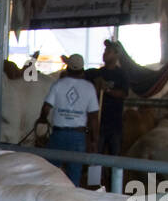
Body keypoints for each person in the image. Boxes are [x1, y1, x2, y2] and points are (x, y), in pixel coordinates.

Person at [36, 53, 100, 187]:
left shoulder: (58, 85)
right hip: (78, 137)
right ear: (83, 71)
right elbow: (94, 117)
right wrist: (94, 140)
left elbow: (46, 108)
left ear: (67, 69)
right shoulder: (89, 88)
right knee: (74, 176)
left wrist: (42, 119)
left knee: (49, 173)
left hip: (58, 135)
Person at [91, 39, 129, 167]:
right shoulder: (98, 73)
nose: (105, 53)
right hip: (98, 123)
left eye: (108, 51)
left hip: (114, 124)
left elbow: (123, 93)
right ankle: (94, 184)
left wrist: (106, 89)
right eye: (105, 50)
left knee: (114, 159)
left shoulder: (121, 75)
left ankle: (113, 184)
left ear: (116, 55)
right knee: (96, 158)